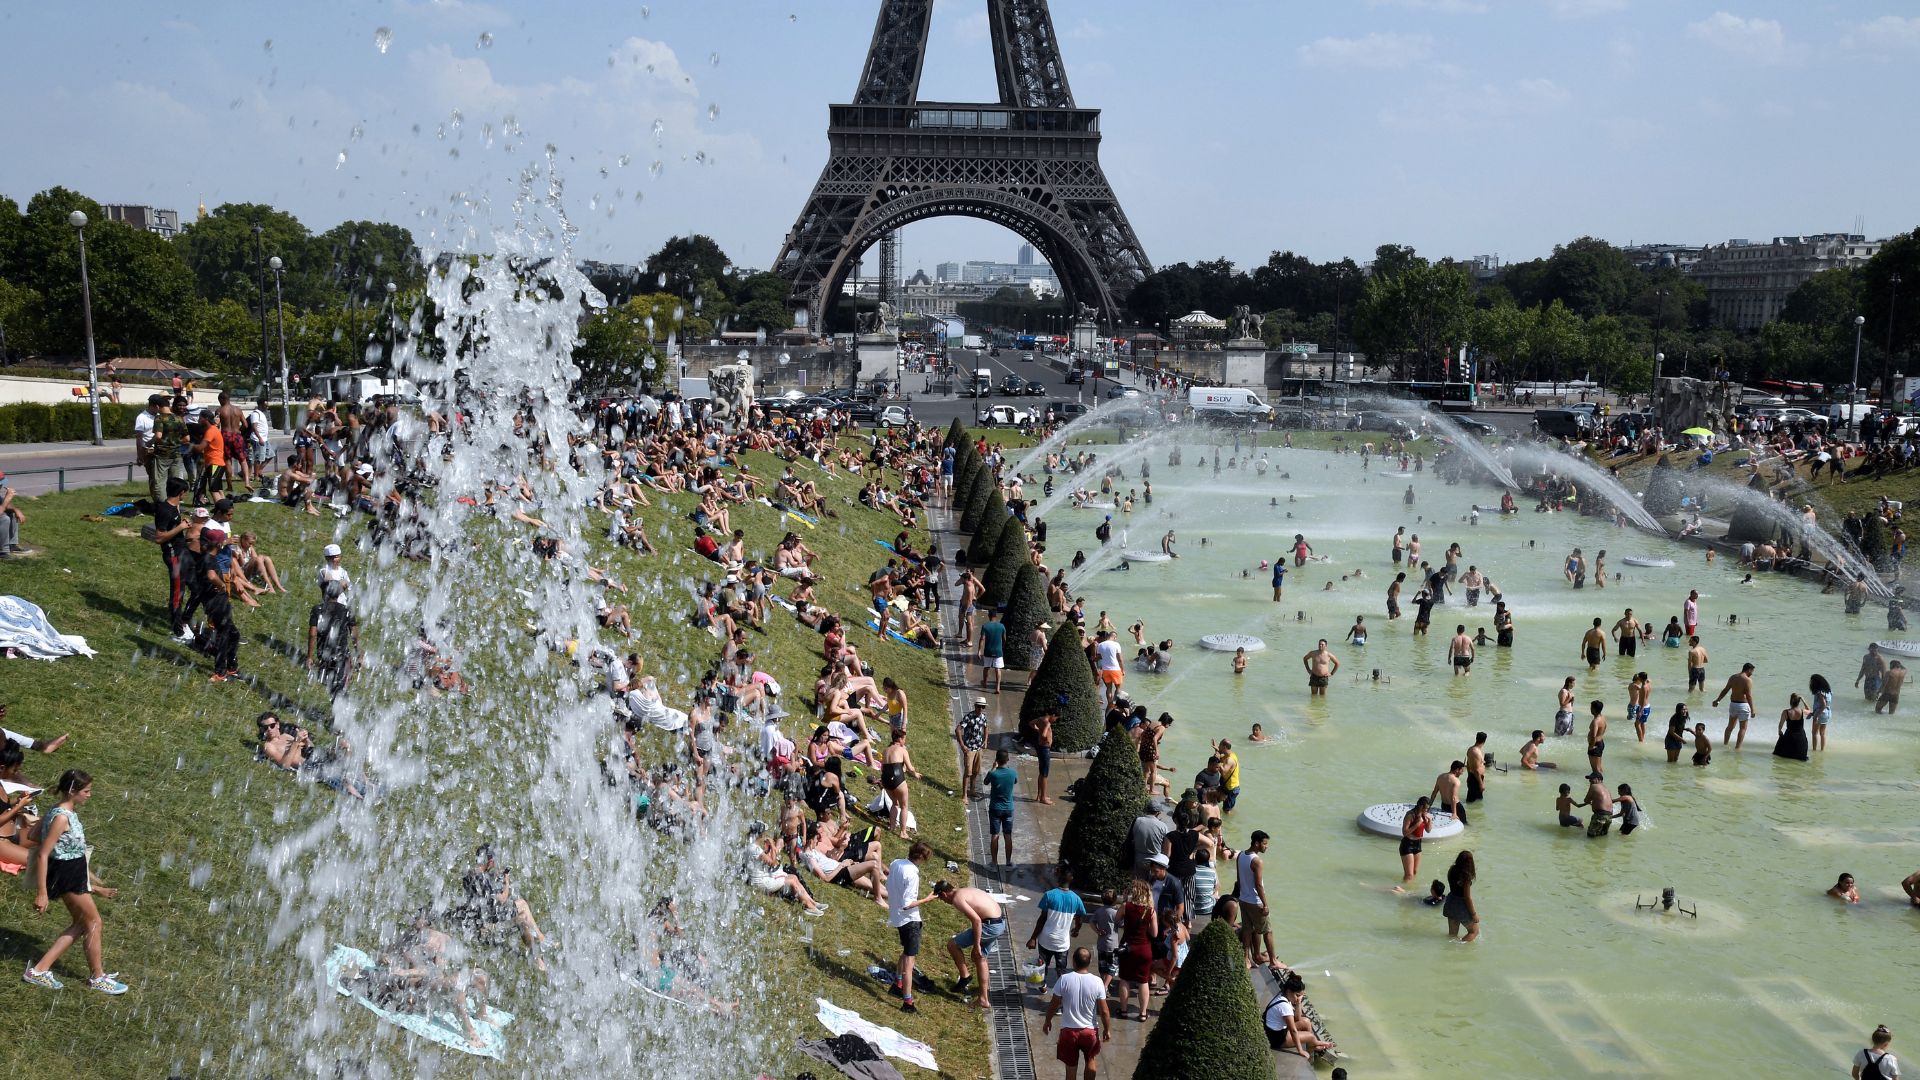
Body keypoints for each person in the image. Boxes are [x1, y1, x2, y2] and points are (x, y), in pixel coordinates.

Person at [23, 770, 128, 994]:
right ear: (73, 791)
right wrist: (42, 893)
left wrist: (93, 884)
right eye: (86, 791)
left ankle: (39, 970)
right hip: (66, 874)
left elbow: (33, 834)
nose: (89, 795)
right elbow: (42, 853)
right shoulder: (62, 817)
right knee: (94, 923)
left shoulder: (56, 810)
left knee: (83, 923)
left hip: (71, 871)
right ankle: (97, 977)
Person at [1043, 946, 1111, 1079]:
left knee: (1070, 1067)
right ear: (1089, 962)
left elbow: (1053, 1005)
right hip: (1089, 1031)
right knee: (1090, 1059)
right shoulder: (1098, 982)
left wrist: (1047, 1021)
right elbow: (1104, 1011)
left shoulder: (1064, 979)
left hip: (1068, 1032)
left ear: (1073, 961)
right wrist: (1107, 1029)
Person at [936, 881, 1006, 1009]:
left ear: (944, 895)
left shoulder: (957, 898)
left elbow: (976, 920)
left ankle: (965, 976)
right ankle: (983, 999)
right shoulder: (965, 890)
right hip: (999, 923)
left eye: (942, 899)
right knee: (980, 958)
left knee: (952, 945)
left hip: (989, 925)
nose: (944, 902)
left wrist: (977, 944)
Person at [887, 841, 934, 1014]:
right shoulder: (913, 875)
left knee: (906, 952)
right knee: (909, 961)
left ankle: (897, 984)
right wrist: (927, 899)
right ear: (921, 857)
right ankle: (908, 1002)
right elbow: (908, 904)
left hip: (897, 917)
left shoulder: (896, 863)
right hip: (909, 920)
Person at [1027, 866, 1087, 992]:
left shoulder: (1049, 895)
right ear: (1071, 880)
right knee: (1061, 970)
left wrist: (1033, 938)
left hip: (1045, 940)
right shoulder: (1076, 899)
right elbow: (1080, 919)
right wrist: (1076, 930)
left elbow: (1042, 919)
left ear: (1058, 878)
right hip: (1062, 944)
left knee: (1043, 965)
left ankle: (1042, 986)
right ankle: (1061, 997)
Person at [1115, 880, 1157, 1021]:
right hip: (1144, 949)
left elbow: (1116, 920)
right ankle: (1143, 1013)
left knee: (1125, 979)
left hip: (1127, 948)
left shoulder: (1126, 906)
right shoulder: (1150, 911)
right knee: (1143, 981)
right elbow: (1154, 933)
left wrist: (1125, 900)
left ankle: (1124, 1011)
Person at [1234, 831, 1274, 968]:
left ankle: (1246, 958)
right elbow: (1258, 885)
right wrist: (1265, 904)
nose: (1266, 846)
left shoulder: (1240, 855)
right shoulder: (1257, 861)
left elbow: (1239, 879)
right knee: (1268, 931)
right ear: (1257, 843)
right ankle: (1273, 961)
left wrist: (1242, 895)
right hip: (1255, 901)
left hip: (1243, 899)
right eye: (1264, 843)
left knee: (1247, 929)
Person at [880, 728, 922, 838]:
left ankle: (892, 827)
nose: (905, 741)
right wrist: (915, 774)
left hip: (885, 779)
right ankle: (903, 832)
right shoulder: (902, 750)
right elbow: (909, 767)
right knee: (904, 806)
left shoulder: (886, 750)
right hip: (898, 778)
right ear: (899, 739)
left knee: (895, 803)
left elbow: (882, 767)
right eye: (904, 739)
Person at [985, 749, 1019, 867]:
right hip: (1008, 808)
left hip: (995, 808)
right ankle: (1008, 863)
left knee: (995, 835)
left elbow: (985, 782)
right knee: (1007, 835)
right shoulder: (1013, 773)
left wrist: (993, 768)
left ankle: (994, 864)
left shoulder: (993, 774)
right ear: (1007, 760)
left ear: (996, 760)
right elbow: (1014, 782)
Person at [1713, 662, 1757, 748]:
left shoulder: (1733, 677)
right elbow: (1748, 695)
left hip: (1733, 704)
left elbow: (1725, 690)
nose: (1752, 674)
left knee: (1730, 726)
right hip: (1743, 705)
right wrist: (1752, 709)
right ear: (1749, 670)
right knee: (1743, 728)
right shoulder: (1747, 680)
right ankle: (1737, 748)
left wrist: (1717, 700)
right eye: (1752, 671)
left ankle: (1725, 744)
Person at [954, 697, 989, 797]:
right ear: (975, 706)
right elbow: (958, 729)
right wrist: (962, 745)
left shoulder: (983, 717)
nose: (980, 708)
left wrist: (985, 740)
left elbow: (986, 727)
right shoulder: (969, 717)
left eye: (982, 707)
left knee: (976, 771)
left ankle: (972, 790)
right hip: (969, 748)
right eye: (979, 706)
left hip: (979, 748)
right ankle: (964, 795)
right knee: (968, 772)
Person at [1443, 850, 1479, 942]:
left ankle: (1450, 951)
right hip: (1460, 906)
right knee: (1474, 932)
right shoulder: (1466, 877)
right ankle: (1459, 948)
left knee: (1452, 935)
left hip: (1450, 902)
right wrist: (1474, 915)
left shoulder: (1452, 869)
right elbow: (1467, 898)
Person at [1397, 797, 1431, 890]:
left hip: (1418, 844)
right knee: (1409, 875)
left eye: (1428, 808)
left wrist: (1429, 821)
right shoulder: (1410, 815)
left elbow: (1428, 830)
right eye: (1425, 808)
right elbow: (1404, 832)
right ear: (1420, 806)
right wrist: (1417, 824)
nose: (1426, 810)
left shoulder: (1425, 815)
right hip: (1407, 844)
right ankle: (1401, 890)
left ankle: (1409, 889)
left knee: (1415, 872)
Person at [977, 607, 1007, 694]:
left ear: (989, 616)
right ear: (996, 616)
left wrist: (979, 650)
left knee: (986, 668)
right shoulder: (1002, 626)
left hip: (988, 651)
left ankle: (985, 683)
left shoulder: (985, 626)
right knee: (997, 669)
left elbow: (982, 639)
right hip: (998, 651)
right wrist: (1002, 647)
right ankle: (997, 687)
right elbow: (1004, 639)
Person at [1773, 693, 1811, 761]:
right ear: (1798, 702)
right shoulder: (1802, 711)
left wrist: (1779, 730)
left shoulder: (1786, 712)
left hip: (1789, 737)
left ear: (1790, 701)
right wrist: (1803, 701)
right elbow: (1810, 711)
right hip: (1800, 738)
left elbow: (1781, 724)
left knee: (1782, 752)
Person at [1431, 761, 1469, 826]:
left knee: (1447, 824)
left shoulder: (1440, 777)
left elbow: (1434, 792)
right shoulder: (1456, 781)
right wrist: (1454, 813)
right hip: (1456, 807)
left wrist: (1429, 805)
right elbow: (1453, 797)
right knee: (1464, 825)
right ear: (1457, 770)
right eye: (1461, 771)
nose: (1462, 773)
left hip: (1444, 806)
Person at [1093, 630, 1125, 707]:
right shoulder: (1116, 644)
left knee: (1109, 688)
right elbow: (1120, 659)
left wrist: (1093, 659)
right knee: (1118, 688)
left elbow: (1099, 657)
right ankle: (1115, 703)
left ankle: (1109, 704)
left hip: (1105, 670)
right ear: (1114, 637)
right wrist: (1123, 670)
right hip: (1115, 669)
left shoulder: (1100, 645)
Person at [1810, 674, 1834, 753]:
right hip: (1827, 713)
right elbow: (1825, 705)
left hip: (1820, 714)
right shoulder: (1828, 691)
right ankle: (1822, 750)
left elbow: (1823, 705)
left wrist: (1816, 715)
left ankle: (1814, 750)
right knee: (1822, 733)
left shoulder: (1819, 692)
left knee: (1814, 733)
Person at [1585, 700, 1608, 777]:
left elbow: (1594, 736)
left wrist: (1591, 746)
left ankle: (1598, 786)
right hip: (1600, 743)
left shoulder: (1596, 721)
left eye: (1591, 708)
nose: (1590, 709)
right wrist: (1600, 736)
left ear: (1594, 709)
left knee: (1596, 770)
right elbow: (1605, 727)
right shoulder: (1603, 718)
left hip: (1595, 745)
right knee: (1599, 768)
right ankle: (1600, 784)